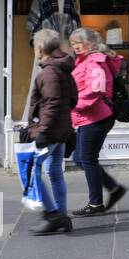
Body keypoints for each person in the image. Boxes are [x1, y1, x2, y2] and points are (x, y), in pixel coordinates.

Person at [69, 28, 128, 216]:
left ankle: (95, 204)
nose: (76, 46)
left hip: (96, 117)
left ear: (92, 43)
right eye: (73, 43)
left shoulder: (95, 61)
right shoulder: (85, 60)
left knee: (86, 159)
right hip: (89, 116)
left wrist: (73, 104)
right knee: (80, 158)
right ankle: (114, 189)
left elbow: (95, 90)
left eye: (80, 42)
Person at [25, 29, 77, 234]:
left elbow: (52, 103)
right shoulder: (61, 68)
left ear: (39, 47)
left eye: (34, 46)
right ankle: (62, 216)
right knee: (54, 173)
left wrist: (43, 131)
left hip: (51, 132)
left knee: (31, 171)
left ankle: (53, 215)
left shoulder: (49, 72)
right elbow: (73, 99)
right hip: (61, 129)